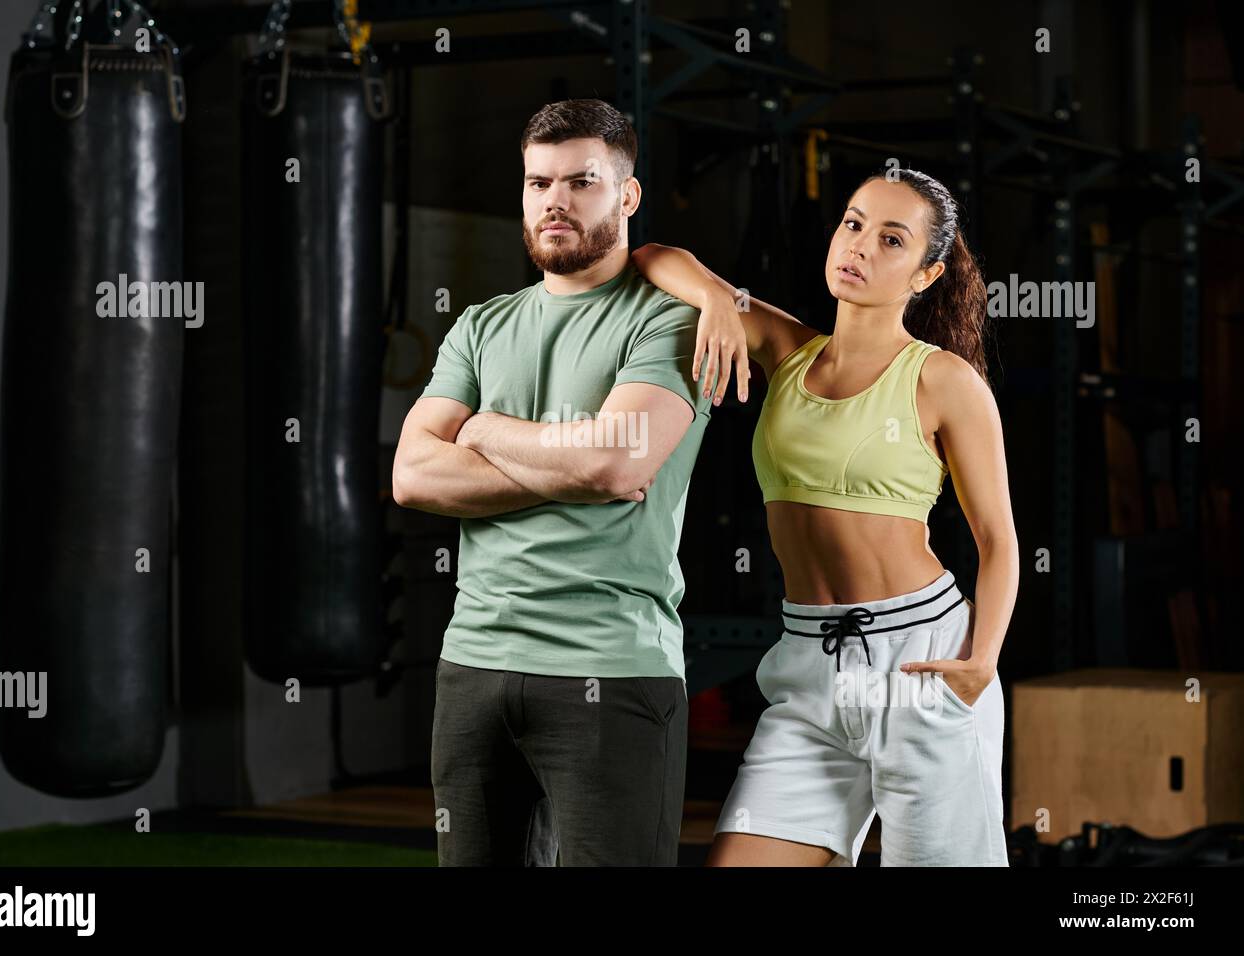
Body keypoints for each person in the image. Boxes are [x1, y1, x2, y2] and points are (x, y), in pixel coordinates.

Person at [631, 167, 1017, 866]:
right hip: (808, 667)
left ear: (925, 275)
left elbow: (998, 542)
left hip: (921, 662)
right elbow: (651, 258)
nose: (861, 246)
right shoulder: (787, 352)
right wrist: (719, 301)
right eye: (853, 223)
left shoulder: (943, 380)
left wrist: (979, 663)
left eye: (892, 239)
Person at [392, 99, 713, 866]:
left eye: (581, 182)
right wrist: (580, 467)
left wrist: (480, 430)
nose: (555, 203)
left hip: (610, 667)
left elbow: (618, 463)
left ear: (627, 196)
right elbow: (410, 475)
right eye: (539, 183)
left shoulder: (669, 321)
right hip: (473, 664)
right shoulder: (480, 325)